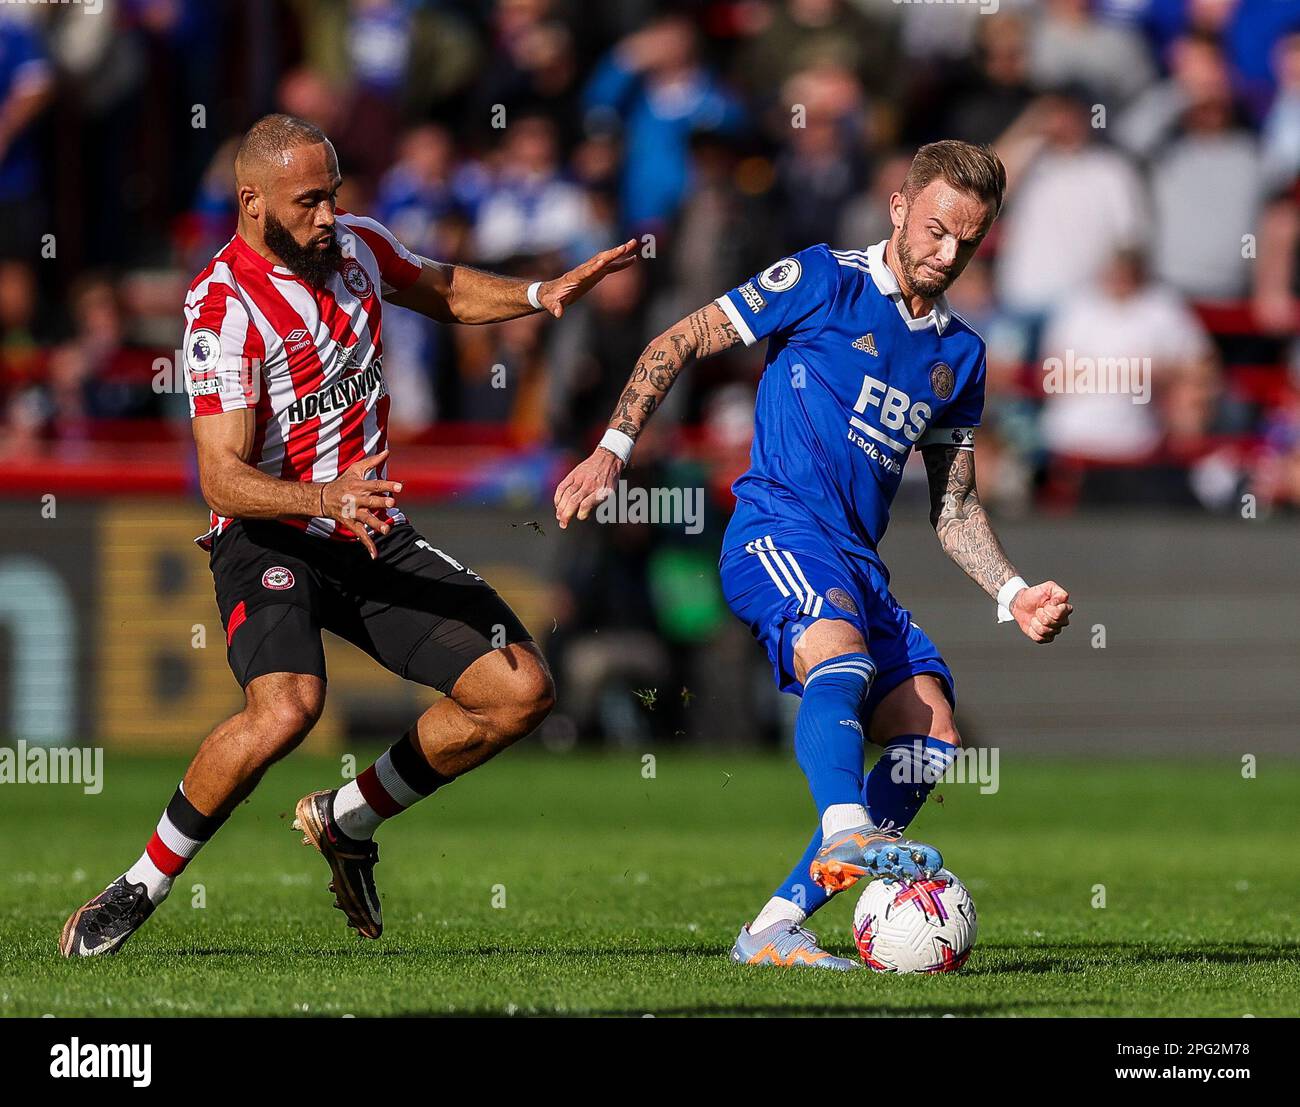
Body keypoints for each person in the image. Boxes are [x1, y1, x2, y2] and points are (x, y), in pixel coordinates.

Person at [59, 114, 636, 957]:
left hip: (365, 527)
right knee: (288, 706)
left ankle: (348, 816)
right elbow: (219, 475)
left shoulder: (356, 246)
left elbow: (436, 285)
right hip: (269, 532)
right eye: (309, 201)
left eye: (333, 194)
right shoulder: (222, 308)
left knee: (518, 691)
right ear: (252, 203)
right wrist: (321, 492)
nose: (329, 215)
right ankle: (139, 885)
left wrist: (538, 296)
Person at [555, 140, 1072, 969]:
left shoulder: (960, 357)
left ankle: (773, 929)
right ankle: (846, 826)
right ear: (900, 208)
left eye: (967, 242)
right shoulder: (823, 280)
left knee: (931, 728)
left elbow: (953, 503)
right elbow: (678, 339)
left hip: (857, 560)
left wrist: (1012, 592)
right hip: (776, 528)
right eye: (935, 229)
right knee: (842, 658)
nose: (947, 254)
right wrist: (613, 448)